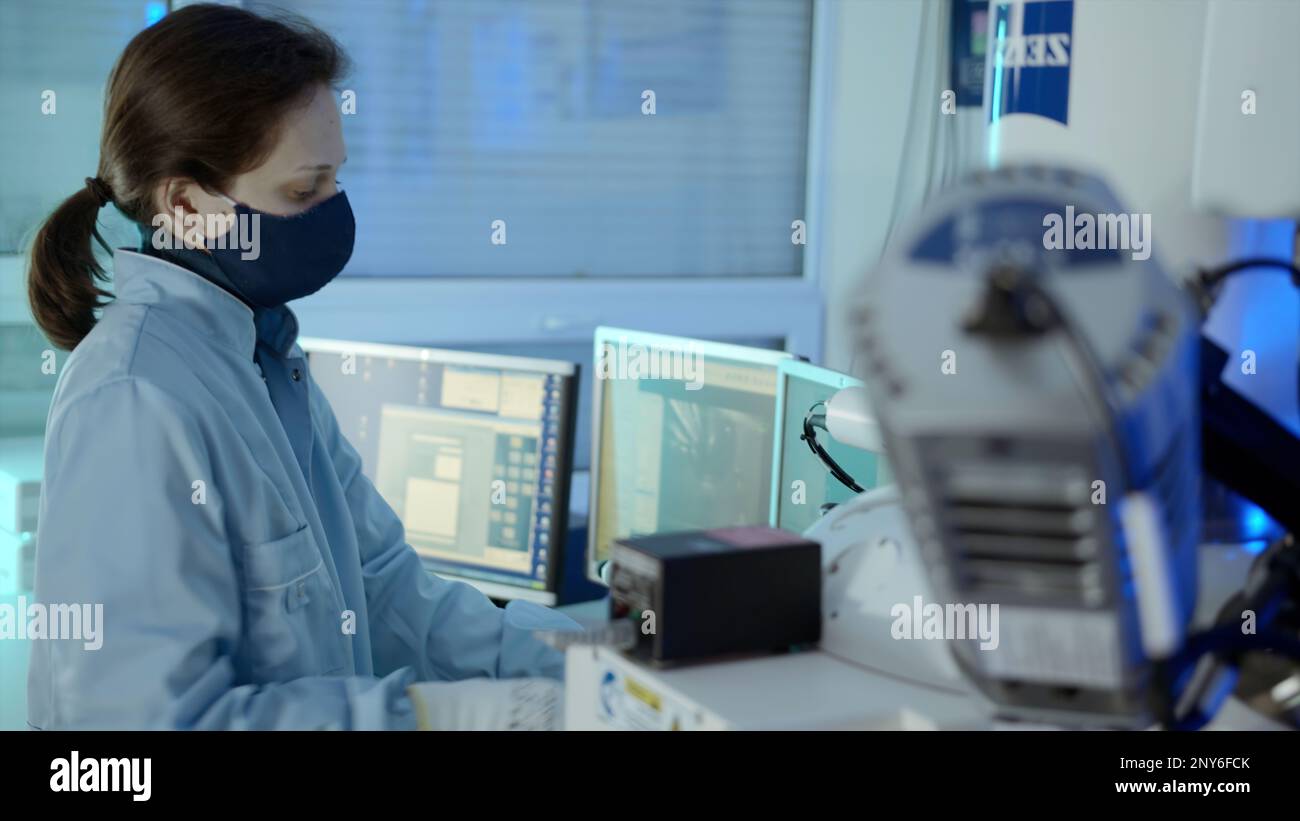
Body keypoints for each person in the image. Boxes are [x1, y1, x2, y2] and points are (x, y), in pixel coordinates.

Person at [25, 3, 577, 730]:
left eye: (334, 181)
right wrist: (465, 713)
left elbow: (388, 589)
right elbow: (148, 730)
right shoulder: (134, 398)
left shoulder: (265, 358)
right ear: (188, 205)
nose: (332, 211)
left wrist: (593, 667)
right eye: (301, 189)